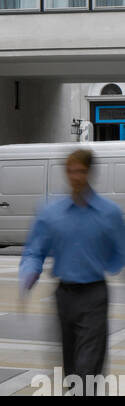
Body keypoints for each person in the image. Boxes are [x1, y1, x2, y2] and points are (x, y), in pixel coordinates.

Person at [19, 148, 125, 389]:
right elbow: (35, 249)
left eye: (81, 171)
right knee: (71, 368)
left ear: (90, 173)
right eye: (71, 171)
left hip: (94, 295)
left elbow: (121, 251)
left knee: (88, 367)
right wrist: (28, 273)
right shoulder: (52, 213)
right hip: (64, 296)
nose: (76, 177)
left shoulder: (109, 214)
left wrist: (110, 264)